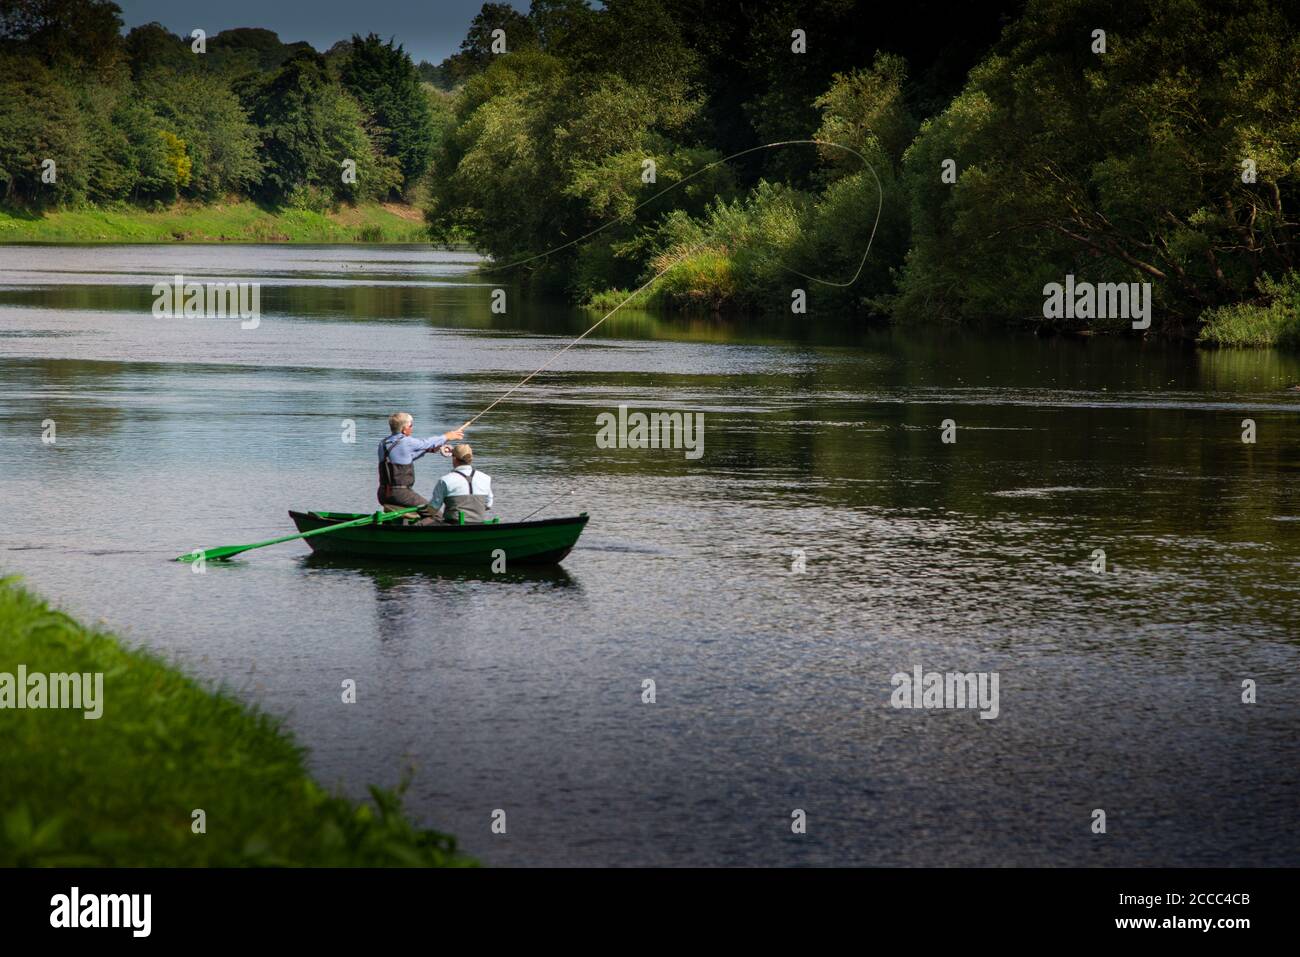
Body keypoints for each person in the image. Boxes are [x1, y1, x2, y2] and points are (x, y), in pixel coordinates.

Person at [378, 413, 464, 524]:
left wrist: (428, 450)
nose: (412, 428)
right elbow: (425, 443)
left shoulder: (383, 443)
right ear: (404, 429)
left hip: (382, 493)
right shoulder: (406, 441)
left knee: (418, 513)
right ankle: (418, 533)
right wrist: (447, 436)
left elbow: (408, 456)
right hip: (400, 494)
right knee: (435, 514)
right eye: (411, 426)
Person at [430, 444, 493, 524]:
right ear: (471, 459)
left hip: (453, 524)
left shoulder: (445, 480)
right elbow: (488, 504)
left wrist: (423, 512)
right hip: (478, 524)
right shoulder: (486, 478)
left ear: (454, 459)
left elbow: (434, 508)